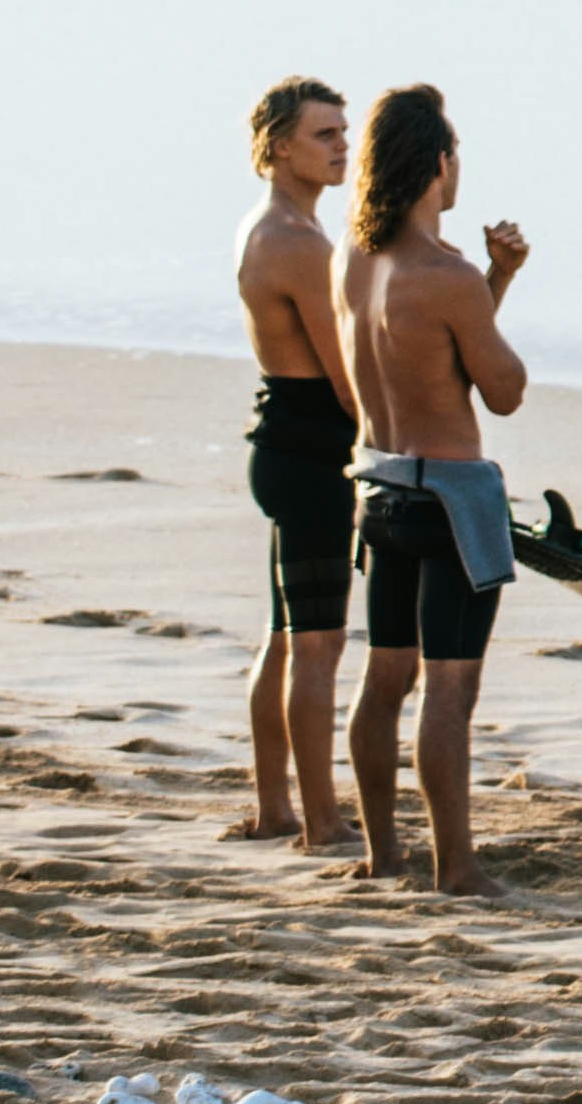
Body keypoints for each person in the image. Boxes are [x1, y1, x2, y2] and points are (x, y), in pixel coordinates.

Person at [335, 81, 531, 896]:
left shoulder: (354, 262)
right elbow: (504, 388)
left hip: (380, 489)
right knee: (451, 686)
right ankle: (458, 868)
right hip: (451, 500)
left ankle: (385, 855)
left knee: (386, 677)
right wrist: (489, 286)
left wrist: (496, 277)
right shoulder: (444, 275)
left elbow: (416, 360)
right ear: (438, 164)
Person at [225, 74, 358, 853]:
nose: (343, 148)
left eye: (344, 134)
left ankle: (277, 809)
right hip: (310, 454)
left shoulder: (267, 225)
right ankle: (321, 821)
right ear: (281, 146)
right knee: (318, 642)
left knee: (285, 636)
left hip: (282, 441)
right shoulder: (298, 243)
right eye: (326, 136)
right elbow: (345, 378)